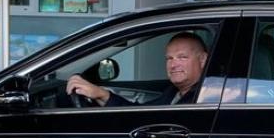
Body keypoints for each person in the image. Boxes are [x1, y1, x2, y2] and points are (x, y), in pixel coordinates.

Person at [65, 32, 208, 106]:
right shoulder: (174, 92)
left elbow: (150, 122)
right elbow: (143, 115)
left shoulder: (203, 98)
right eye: (169, 58)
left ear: (202, 60)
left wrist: (101, 94)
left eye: (182, 57)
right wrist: (102, 94)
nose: (173, 64)